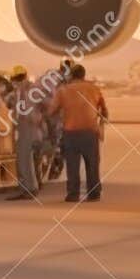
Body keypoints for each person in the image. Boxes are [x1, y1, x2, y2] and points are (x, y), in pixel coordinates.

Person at [46, 62, 107, 202]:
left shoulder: (63, 90)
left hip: (71, 132)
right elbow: (104, 111)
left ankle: (73, 194)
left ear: (71, 75)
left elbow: (51, 111)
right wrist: (101, 126)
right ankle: (94, 193)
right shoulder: (94, 89)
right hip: (90, 132)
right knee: (92, 164)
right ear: (84, 75)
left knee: (72, 165)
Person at [5, 65, 47, 200]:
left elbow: (24, 111)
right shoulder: (33, 89)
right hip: (35, 127)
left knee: (24, 159)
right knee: (31, 159)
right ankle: (31, 186)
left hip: (27, 127)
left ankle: (28, 189)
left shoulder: (23, 90)